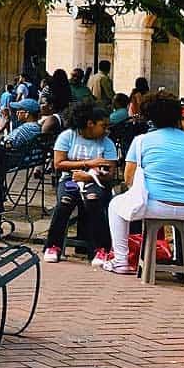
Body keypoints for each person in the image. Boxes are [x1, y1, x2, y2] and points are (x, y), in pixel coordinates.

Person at [104, 94, 184, 274]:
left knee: (115, 205)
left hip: (154, 206)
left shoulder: (141, 141)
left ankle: (120, 261)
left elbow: (129, 178)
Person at [43, 103, 117, 266]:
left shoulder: (107, 143)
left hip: (95, 181)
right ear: (90, 124)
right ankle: (53, 245)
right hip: (71, 179)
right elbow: (58, 163)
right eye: (103, 126)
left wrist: (91, 175)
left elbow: (110, 172)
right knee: (65, 202)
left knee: (93, 199)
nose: (107, 130)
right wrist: (87, 164)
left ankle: (101, 248)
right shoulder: (68, 136)